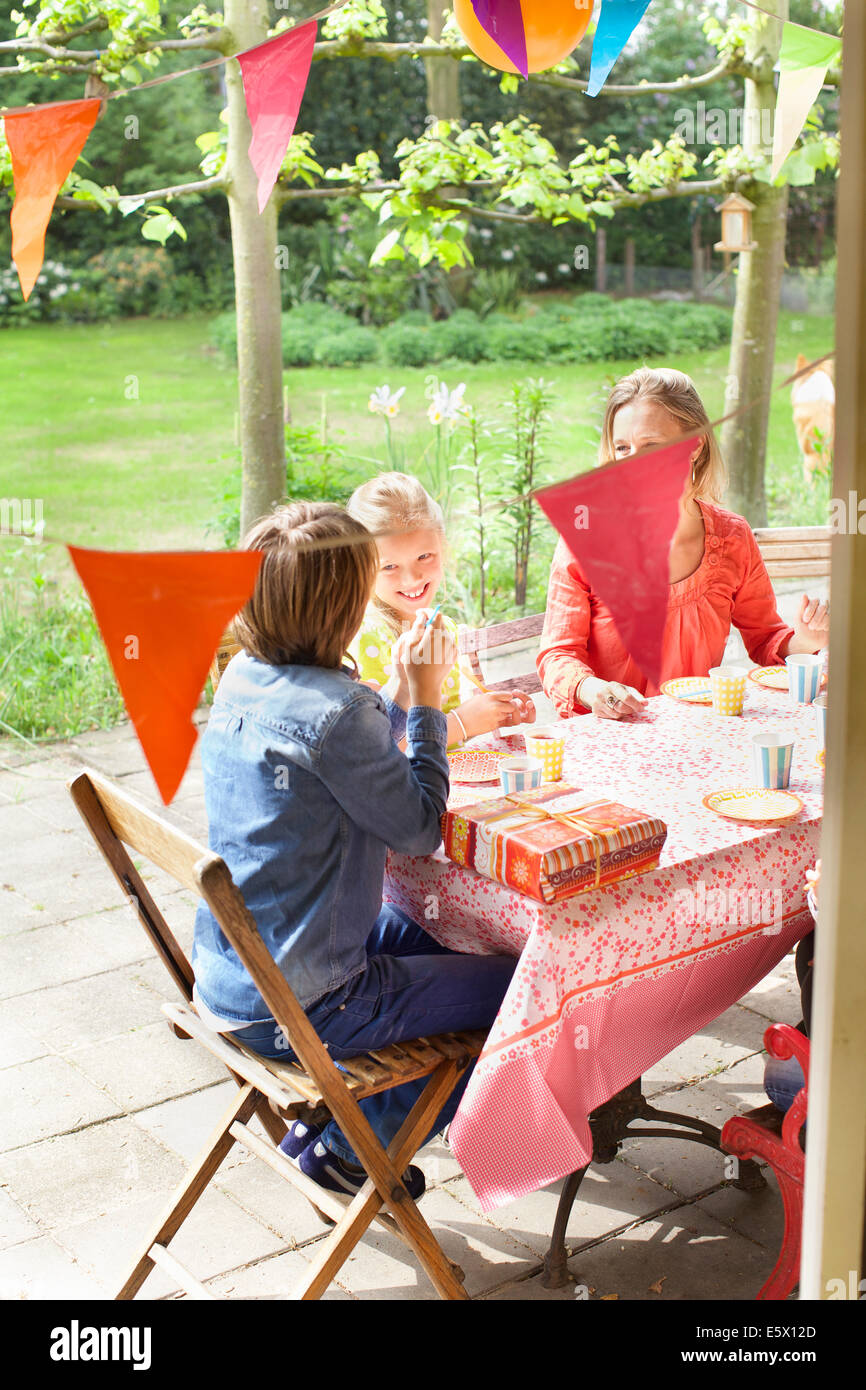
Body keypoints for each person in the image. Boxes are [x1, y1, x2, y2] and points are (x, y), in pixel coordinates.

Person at [191, 502, 516, 1202]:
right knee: (527, 993)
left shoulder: (245, 674)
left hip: (233, 981)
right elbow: (421, 825)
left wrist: (398, 686)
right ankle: (346, 1150)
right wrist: (426, 699)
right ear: (343, 605)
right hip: (312, 1006)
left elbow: (345, 756)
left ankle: (326, 1131)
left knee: (461, 931)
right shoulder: (338, 711)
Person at [537, 368, 830, 720]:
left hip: (697, 740)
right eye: (622, 447)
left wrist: (808, 641)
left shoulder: (732, 538)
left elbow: (767, 640)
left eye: (651, 446)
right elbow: (558, 655)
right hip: (608, 743)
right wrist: (595, 690)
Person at [347, 472, 536, 744]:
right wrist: (463, 723)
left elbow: (446, 715)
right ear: (362, 568)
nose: (411, 579)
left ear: (442, 547)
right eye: (389, 566)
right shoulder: (365, 638)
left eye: (424, 556)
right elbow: (379, 747)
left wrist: (495, 712)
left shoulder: (441, 627)